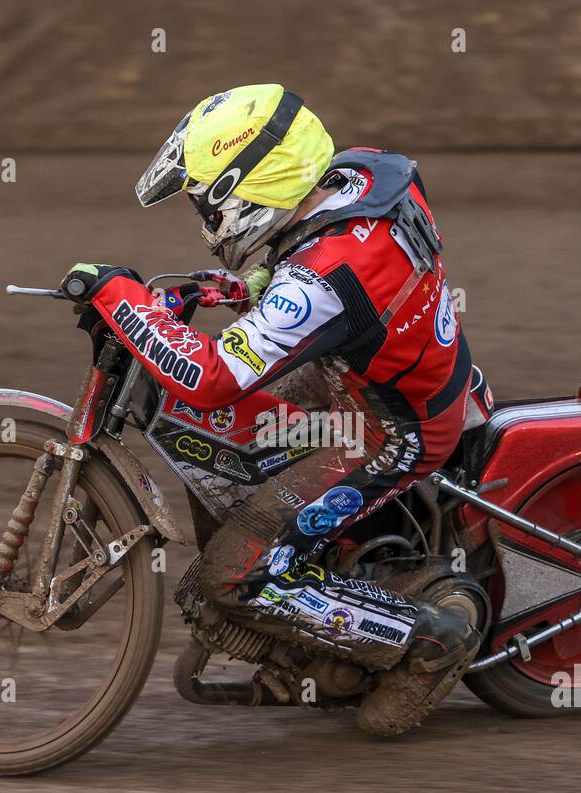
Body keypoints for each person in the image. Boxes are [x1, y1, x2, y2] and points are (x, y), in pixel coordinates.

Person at [60, 83, 477, 735]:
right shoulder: (360, 175)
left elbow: (211, 374)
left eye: (204, 198)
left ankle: (429, 642)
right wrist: (250, 284)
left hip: (391, 427)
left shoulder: (323, 276)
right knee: (216, 449)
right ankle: (314, 607)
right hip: (364, 373)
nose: (201, 215)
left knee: (233, 576)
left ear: (249, 187)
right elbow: (317, 275)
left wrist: (122, 297)